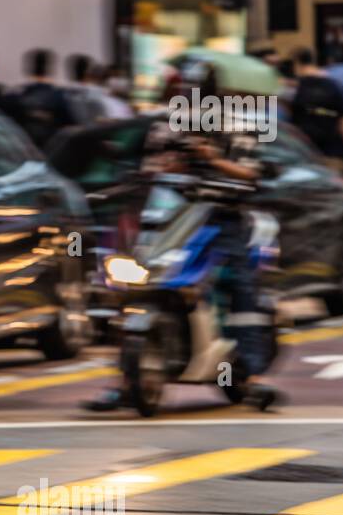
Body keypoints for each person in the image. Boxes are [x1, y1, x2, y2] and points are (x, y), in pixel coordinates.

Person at [84, 65, 281, 413]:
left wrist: (214, 160)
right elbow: (152, 167)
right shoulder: (167, 124)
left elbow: (250, 173)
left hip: (223, 218)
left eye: (199, 93)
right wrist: (162, 167)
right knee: (126, 282)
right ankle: (126, 381)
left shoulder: (236, 124)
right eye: (187, 94)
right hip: (173, 216)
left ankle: (251, 378)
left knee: (239, 288)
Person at [289, 48, 343, 169]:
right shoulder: (335, 87)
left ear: (297, 64)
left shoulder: (294, 90)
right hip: (334, 154)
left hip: (304, 156)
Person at [7, 48, 75, 148]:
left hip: (22, 147)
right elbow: (69, 124)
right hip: (51, 148)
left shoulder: (16, 94)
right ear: (50, 68)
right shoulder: (58, 95)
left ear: (28, 68)